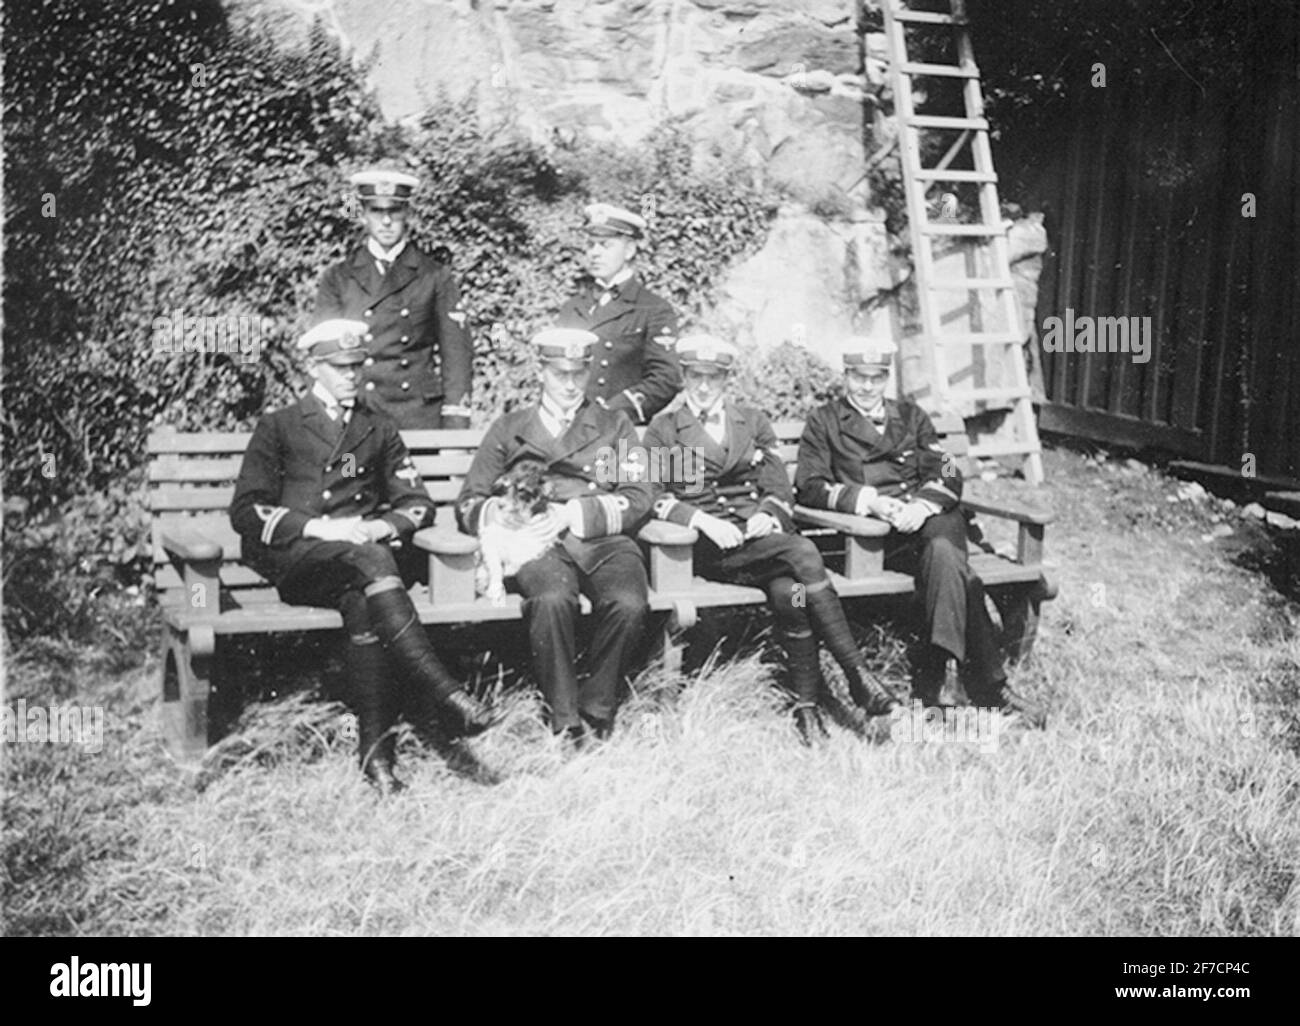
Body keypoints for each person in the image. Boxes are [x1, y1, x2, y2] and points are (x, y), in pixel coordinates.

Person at [229, 319, 495, 795]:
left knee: (363, 602)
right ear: (314, 367)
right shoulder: (280, 426)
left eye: (356, 366)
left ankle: (376, 761)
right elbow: (247, 510)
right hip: (303, 562)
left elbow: (417, 503)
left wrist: (375, 526)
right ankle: (447, 693)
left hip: (362, 571)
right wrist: (320, 527)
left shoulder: (376, 426)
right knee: (373, 563)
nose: (351, 375)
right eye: (340, 366)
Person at [643, 334, 900, 745]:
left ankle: (807, 711)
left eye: (713, 377)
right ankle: (856, 674)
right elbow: (652, 496)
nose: (704, 386)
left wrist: (768, 513)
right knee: (802, 550)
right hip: (713, 552)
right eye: (695, 376)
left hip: (763, 548)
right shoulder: (665, 428)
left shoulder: (753, 421)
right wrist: (702, 522)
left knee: (793, 594)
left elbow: (779, 487)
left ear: (726, 379)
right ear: (683, 376)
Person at [794, 337, 1046, 727]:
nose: (866, 387)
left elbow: (946, 471)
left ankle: (934, 686)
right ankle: (984, 688)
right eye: (858, 377)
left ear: (885, 378)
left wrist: (922, 505)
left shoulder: (912, 417)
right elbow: (809, 484)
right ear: (846, 377)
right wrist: (870, 502)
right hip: (875, 537)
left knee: (945, 540)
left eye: (876, 378)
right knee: (961, 573)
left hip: (924, 522)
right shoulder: (825, 421)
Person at [455, 328, 654, 747]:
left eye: (578, 374)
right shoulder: (510, 427)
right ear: (540, 371)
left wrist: (574, 513)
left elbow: (639, 496)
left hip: (601, 540)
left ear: (589, 374)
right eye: (559, 373)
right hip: (535, 545)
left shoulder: (615, 425)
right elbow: (470, 500)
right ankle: (565, 724)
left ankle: (596, 710)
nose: (569, 384)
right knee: (550, 600)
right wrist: (504, 516)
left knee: (629, 603)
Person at [314, 168, 474, 429]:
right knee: (347, 472)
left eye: (394, 211)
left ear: (407, 214)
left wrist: (454, 429)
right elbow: (324, 355)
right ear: (363, 214)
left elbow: (456, 355)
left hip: (417, 417)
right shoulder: (339, 277)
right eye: (377, 211)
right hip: (357, 416)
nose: (386, 221)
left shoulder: (434, 276)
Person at [555, 202, 680, 425]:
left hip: (622, 431)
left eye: (605, 245)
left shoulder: (653, 308)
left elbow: (666, 378)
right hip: (570, 430)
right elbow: (555, 368)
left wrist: (613, 411)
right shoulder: (572, 308)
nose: (594, 253)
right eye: (591, 245)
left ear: (629, 250)